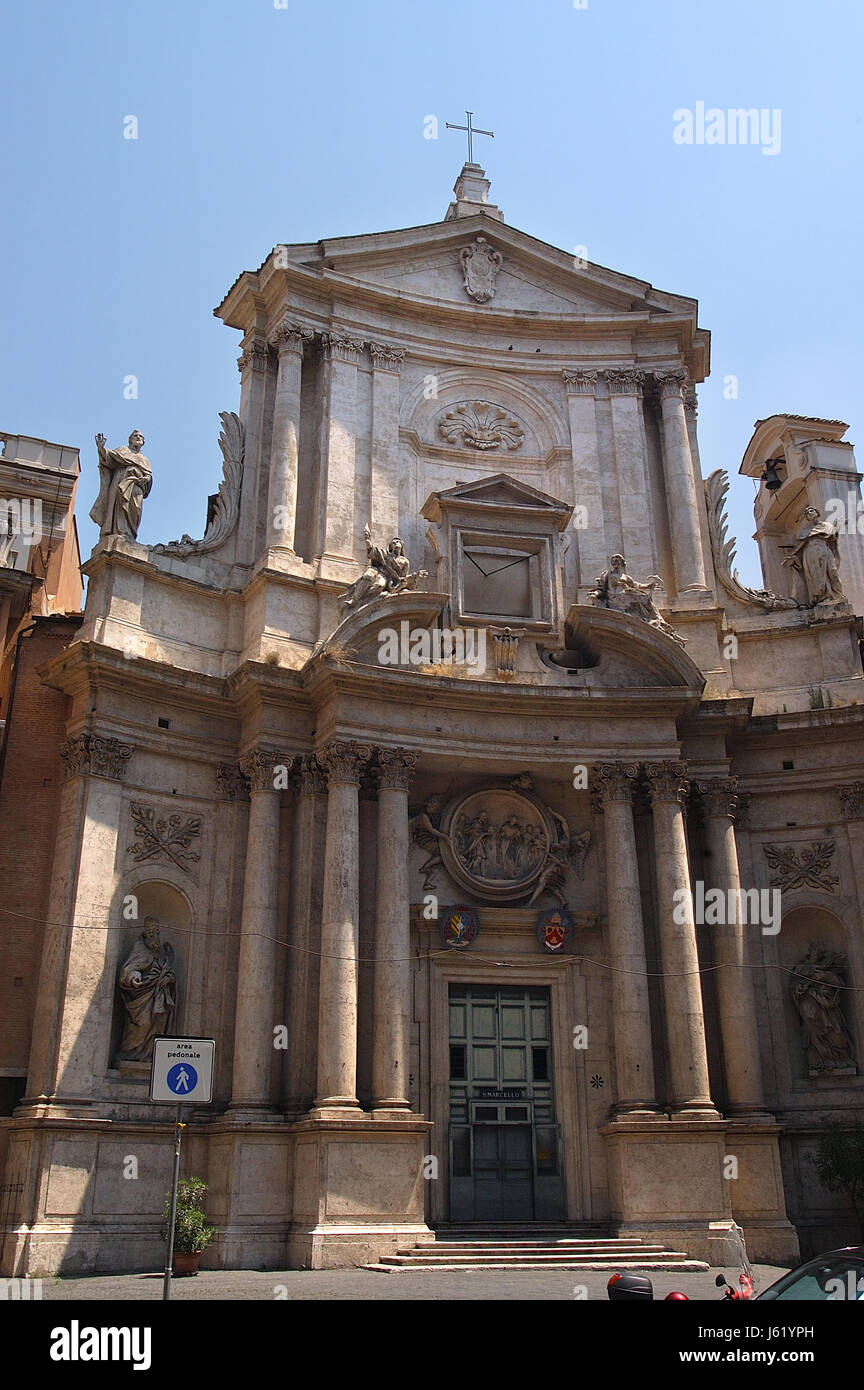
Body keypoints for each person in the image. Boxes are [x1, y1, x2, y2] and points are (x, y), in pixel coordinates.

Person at [116, 917, 177, 1062]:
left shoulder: (162, 952)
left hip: (159, 994)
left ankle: (148, 1055)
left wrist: (169, 978)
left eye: (156, 932)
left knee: (158, 1025)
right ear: (145, 932)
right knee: (143, 1023)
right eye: (150, 932)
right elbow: (128, 968)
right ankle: (130, 1053)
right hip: (141, 995)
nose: (153, 935)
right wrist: (133, 977)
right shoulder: (139, 947)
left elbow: (168, 970)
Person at [90, 430, 152, 540]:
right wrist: (101, 448)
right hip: (120, 482)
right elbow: (109, 459)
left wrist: (146, 478)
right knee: (118, 508)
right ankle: (117, 532)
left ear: (143, 442)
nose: (138, 437)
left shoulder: (144, 459)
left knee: (134, 512)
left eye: (140, 436)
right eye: (135, 436)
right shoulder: (122, 450)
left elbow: (149, 476)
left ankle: (129, 535)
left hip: (136, 488)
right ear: (130, 439)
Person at [783, 506, 845, 606]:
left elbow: (833, 536)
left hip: (824, 549)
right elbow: (800, 547)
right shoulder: (805, 531)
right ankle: (822, 598)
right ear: (807, 517)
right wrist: (793, 558)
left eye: (812, 510)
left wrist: (838, 527)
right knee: (816, 575)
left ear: (817, 512)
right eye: (807, 512)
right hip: (811, 552)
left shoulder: (826, 525)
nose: (810, 513)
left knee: (832, 571)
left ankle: (838, 596)